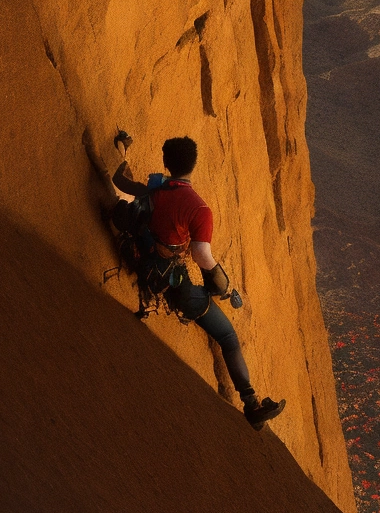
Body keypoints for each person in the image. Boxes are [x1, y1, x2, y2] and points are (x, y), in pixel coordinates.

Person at [111, 136, 285, 431]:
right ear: (194, 165)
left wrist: (122, 152)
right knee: (228, 337)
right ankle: (251, 404)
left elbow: (121, 183)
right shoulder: (198, 209)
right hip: (172, 283)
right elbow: (201, 254)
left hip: (147, 260)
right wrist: (225, 286)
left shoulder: (156, 190)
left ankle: (253, 404)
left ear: (167, 163)